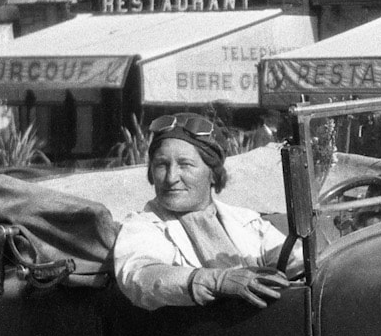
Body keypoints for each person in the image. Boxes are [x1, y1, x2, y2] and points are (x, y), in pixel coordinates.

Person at [113, 112, 303, 310]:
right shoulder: (142, 225)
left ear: (213, 174)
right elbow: (141, 276)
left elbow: (296, 263)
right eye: (162, 165)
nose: (171, 178)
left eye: (185, 165)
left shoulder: (247, 222)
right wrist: (212, 280)